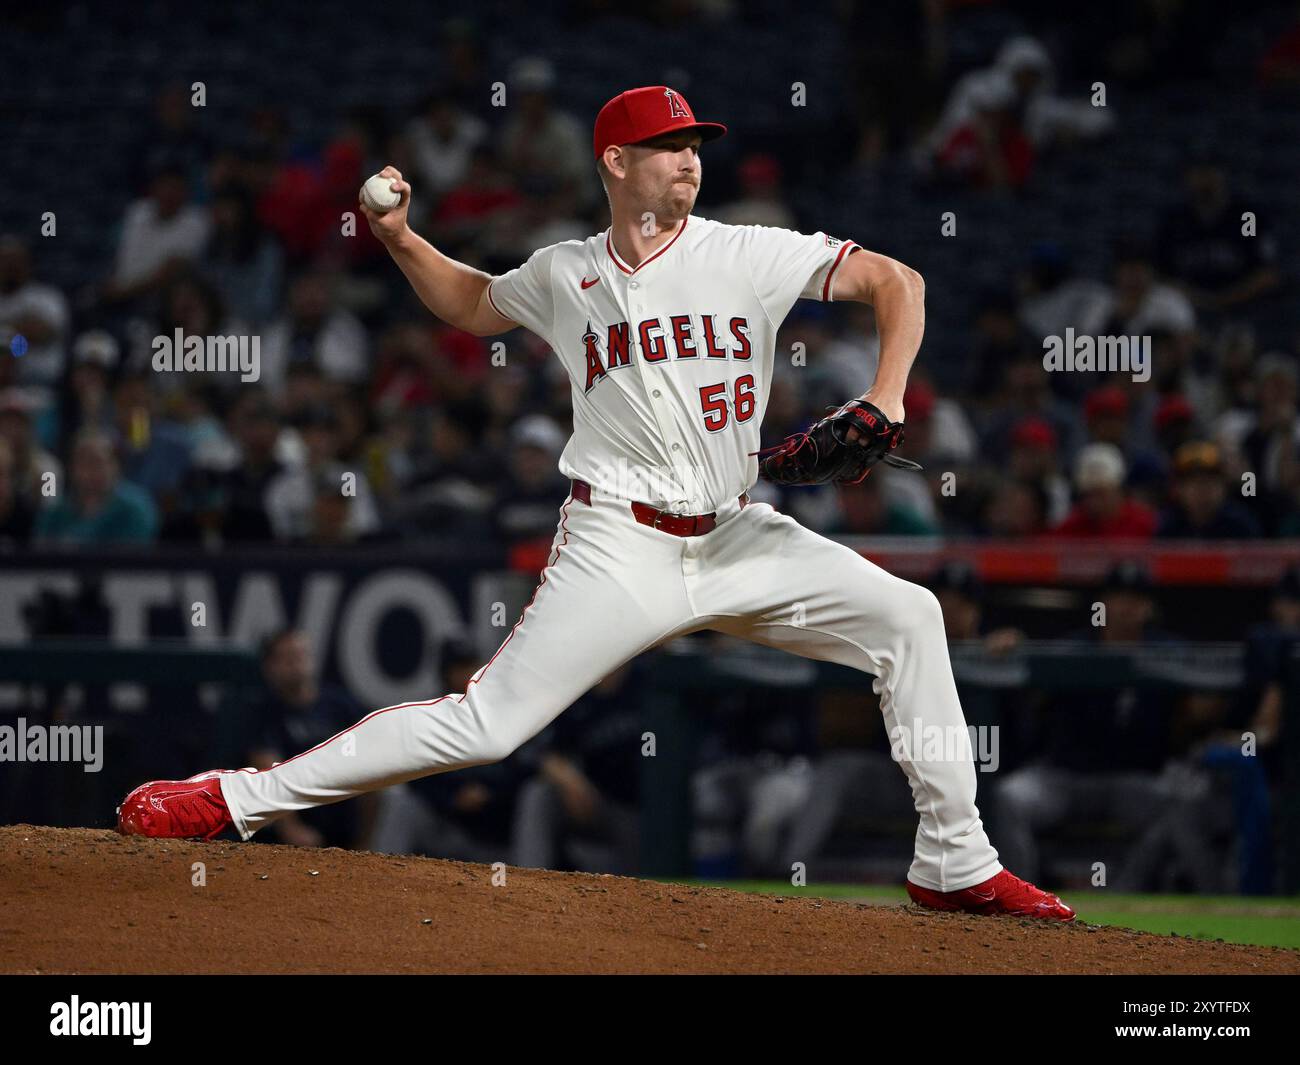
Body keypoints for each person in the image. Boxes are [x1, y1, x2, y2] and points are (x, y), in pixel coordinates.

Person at [118, 85, 1075, 921]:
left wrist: (885, 397)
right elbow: (472, 303)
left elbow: (895, 280)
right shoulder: (563, 272)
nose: (691, 163)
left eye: (697, 146)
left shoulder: (747, 251)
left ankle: (957, 860)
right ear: (616, 162)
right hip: (619, 542)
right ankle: (234, 796)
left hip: (737, 533)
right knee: (488, 724)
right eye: (672, 148)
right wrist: (404, 240)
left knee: (910, 616)